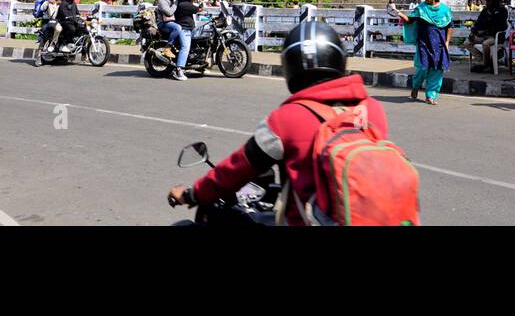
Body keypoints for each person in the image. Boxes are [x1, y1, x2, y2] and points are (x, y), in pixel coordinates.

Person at [167, 21, 389, 225]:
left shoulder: (287, 119)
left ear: (290, 67)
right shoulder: (372, 110)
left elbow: (237, 169)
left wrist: (193, 194)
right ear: (339, 59)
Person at [392, 0, 452, 105]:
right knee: (421, 68)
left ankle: (431, 95)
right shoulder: (421, 8)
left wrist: (447, 42)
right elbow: (410, 20)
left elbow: (449, 27)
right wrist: (398, 12)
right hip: (424, 44)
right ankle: (415, 86)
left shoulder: (445, 9)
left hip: (439, 45)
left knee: (437, 69)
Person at [467, 0, 508, 73]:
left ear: (494, 1)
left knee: (486, 44)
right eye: (486, 1)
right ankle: (487, 63)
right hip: (483, 35)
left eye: (489, 1)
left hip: (495, 36)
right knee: (467, 43)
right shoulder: (485, 10)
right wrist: (473, 32)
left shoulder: (502, 10)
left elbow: (501, 26)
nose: (487, 3)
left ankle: (485, 64)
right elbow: (478, 23)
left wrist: (486, 30)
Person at [170, 0, 201, 80]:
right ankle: (178, 70)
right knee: (185, 47)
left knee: (195, 46)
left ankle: (198, 66)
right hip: (184, 29)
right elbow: (199, 8)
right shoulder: (184, 4)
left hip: (188, 28)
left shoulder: (183, 2)